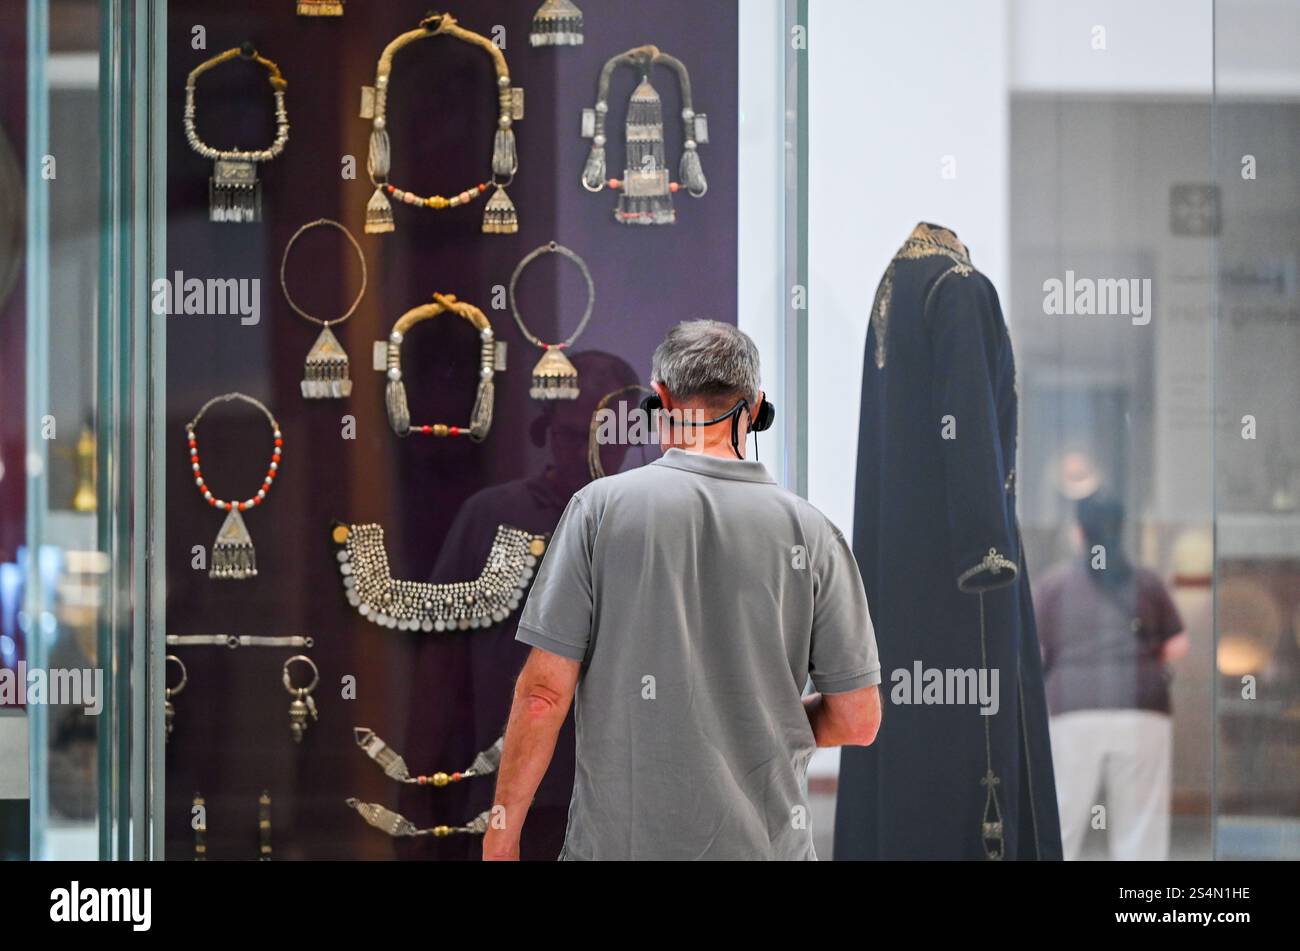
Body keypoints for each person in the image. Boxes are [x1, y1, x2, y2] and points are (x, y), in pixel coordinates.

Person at [483, 320, 882, 860]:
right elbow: (858, 720)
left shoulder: (598, 510)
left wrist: (502, 835)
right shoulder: (813, 532)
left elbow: (543, 696)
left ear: (661, 399)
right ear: (758, 407)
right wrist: (762, 717)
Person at [1035, 493, 1187, 860]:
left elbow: (1035, 654)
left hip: (1072, 709)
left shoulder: (1053, 585)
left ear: (1078, 533)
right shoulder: (1146, 582)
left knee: (1061, 820)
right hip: (1142, 707)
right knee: (1140, 828)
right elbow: (1178, 644)